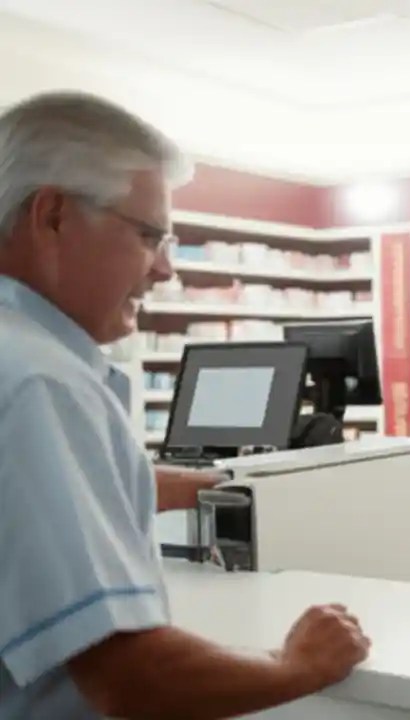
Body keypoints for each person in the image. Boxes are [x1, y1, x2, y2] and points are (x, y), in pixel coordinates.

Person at [0, 92, 370, 719]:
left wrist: (199, 483)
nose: (166, 269)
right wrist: (298, 664)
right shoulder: (42, 383)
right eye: (149, 236)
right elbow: (131, 677)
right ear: (54, 216)